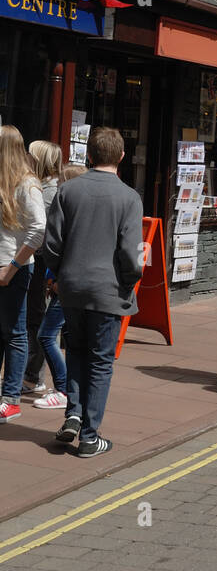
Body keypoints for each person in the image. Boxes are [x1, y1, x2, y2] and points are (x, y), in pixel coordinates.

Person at [43, 127, 143, 455]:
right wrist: (129, 281)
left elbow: (52, 243)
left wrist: (59, 276)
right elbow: (131, 254)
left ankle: (73, 412)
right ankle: (89, 435)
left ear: (89, 155)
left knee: (76, 351)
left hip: (71, 287)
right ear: (122, 157)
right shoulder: (129, 197)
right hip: (108, 290)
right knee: (100, 361)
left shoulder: (68, 191)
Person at [0, 126, 47, 422]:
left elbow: (39, 229)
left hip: (12, 269)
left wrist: (13, 267)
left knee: (15, 333)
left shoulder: (27, 183)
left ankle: (11, 398)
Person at [32, 161, 86, 411]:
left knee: (46, 335)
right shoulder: (81, 212)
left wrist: (55, 279)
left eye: (62, 182)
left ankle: (63, 389)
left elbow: (58, 249)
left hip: (66, 285)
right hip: (70, 283)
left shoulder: (69, 212)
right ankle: (66, 389)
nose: (58, 186)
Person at [22, 140, 63, 397]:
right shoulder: (46, 188)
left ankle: (33, 377)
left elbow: (42, 232)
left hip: (41, 264)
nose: (25, 156)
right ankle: (31, 375)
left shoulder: (48, 192)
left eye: (30, 153)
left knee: (38, 320)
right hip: (41, 263)